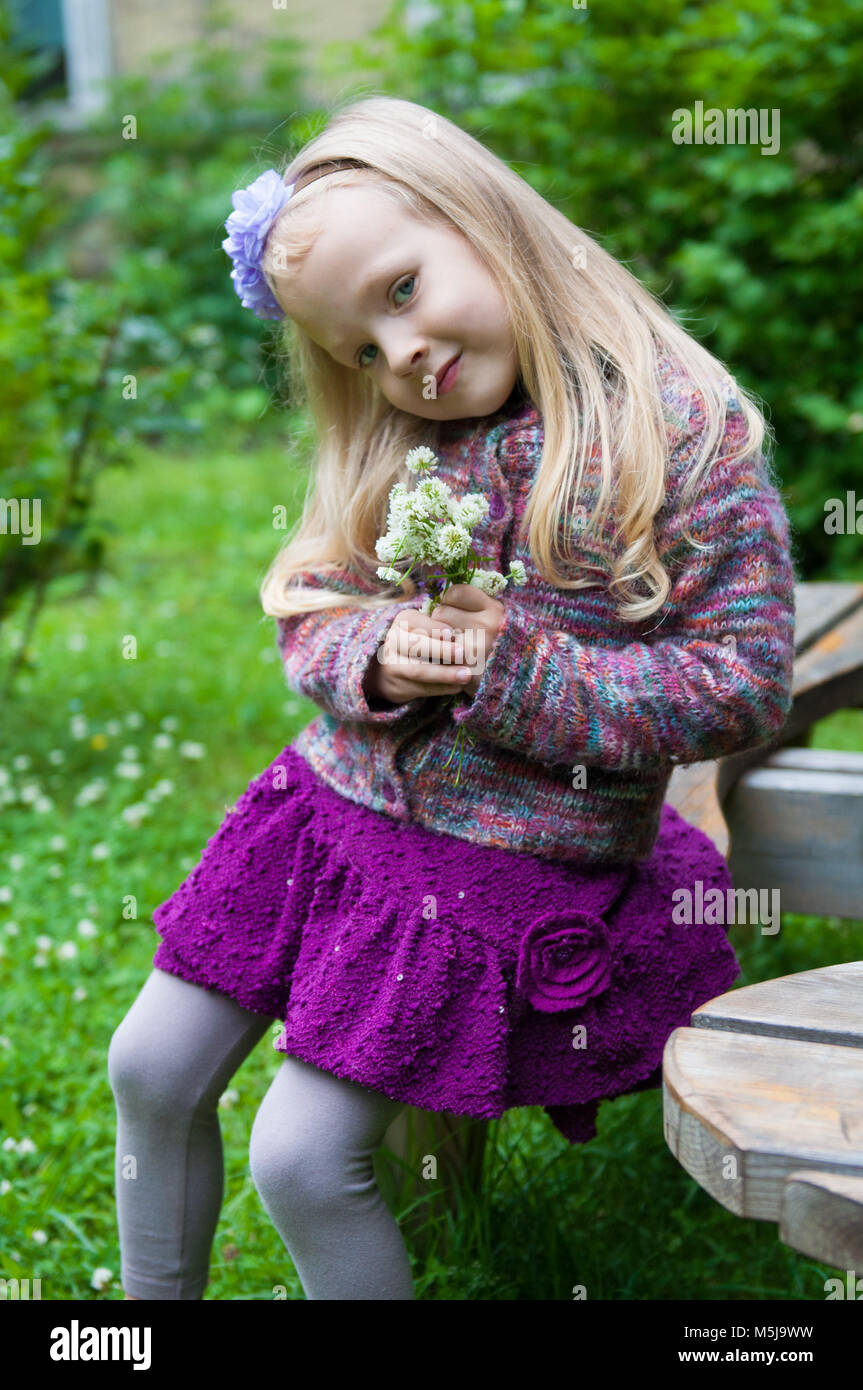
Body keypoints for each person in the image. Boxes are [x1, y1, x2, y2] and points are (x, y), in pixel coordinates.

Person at [107, 95, 798, 1301]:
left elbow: (736, 688)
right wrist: (370, 653)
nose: (399, 357)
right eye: (360, 350)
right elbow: (312, 608)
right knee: (150, 1066)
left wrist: (514, 672)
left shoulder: (675, 432)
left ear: (485, 223)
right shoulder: (391, 444)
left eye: (402, 292)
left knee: (307, 1159)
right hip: (330, 817)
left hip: (502, 860)